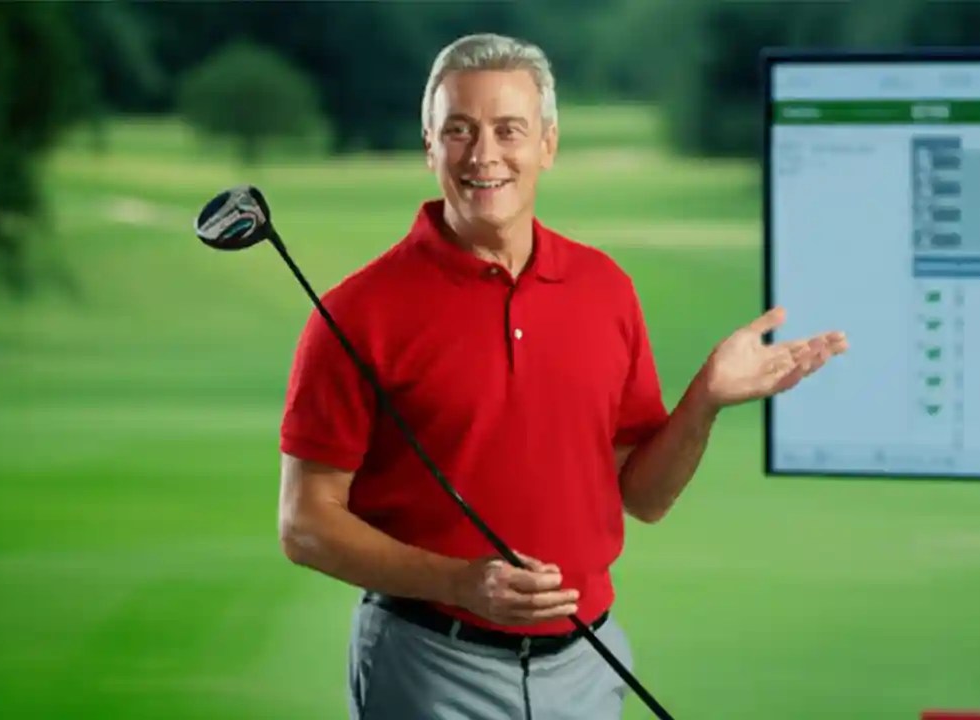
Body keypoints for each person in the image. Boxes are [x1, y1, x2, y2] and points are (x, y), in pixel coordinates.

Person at [277, 33, 848, 720]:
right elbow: (305, 524)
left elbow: (645, 496)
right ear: (430, 147)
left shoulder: (604, 289)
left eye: (507, 130)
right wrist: (462, 583)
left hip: (586, 663)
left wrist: (706, 399)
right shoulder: (357, 313)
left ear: (546, 144)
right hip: (431, 666)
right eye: (459, 131)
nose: (483, 155)